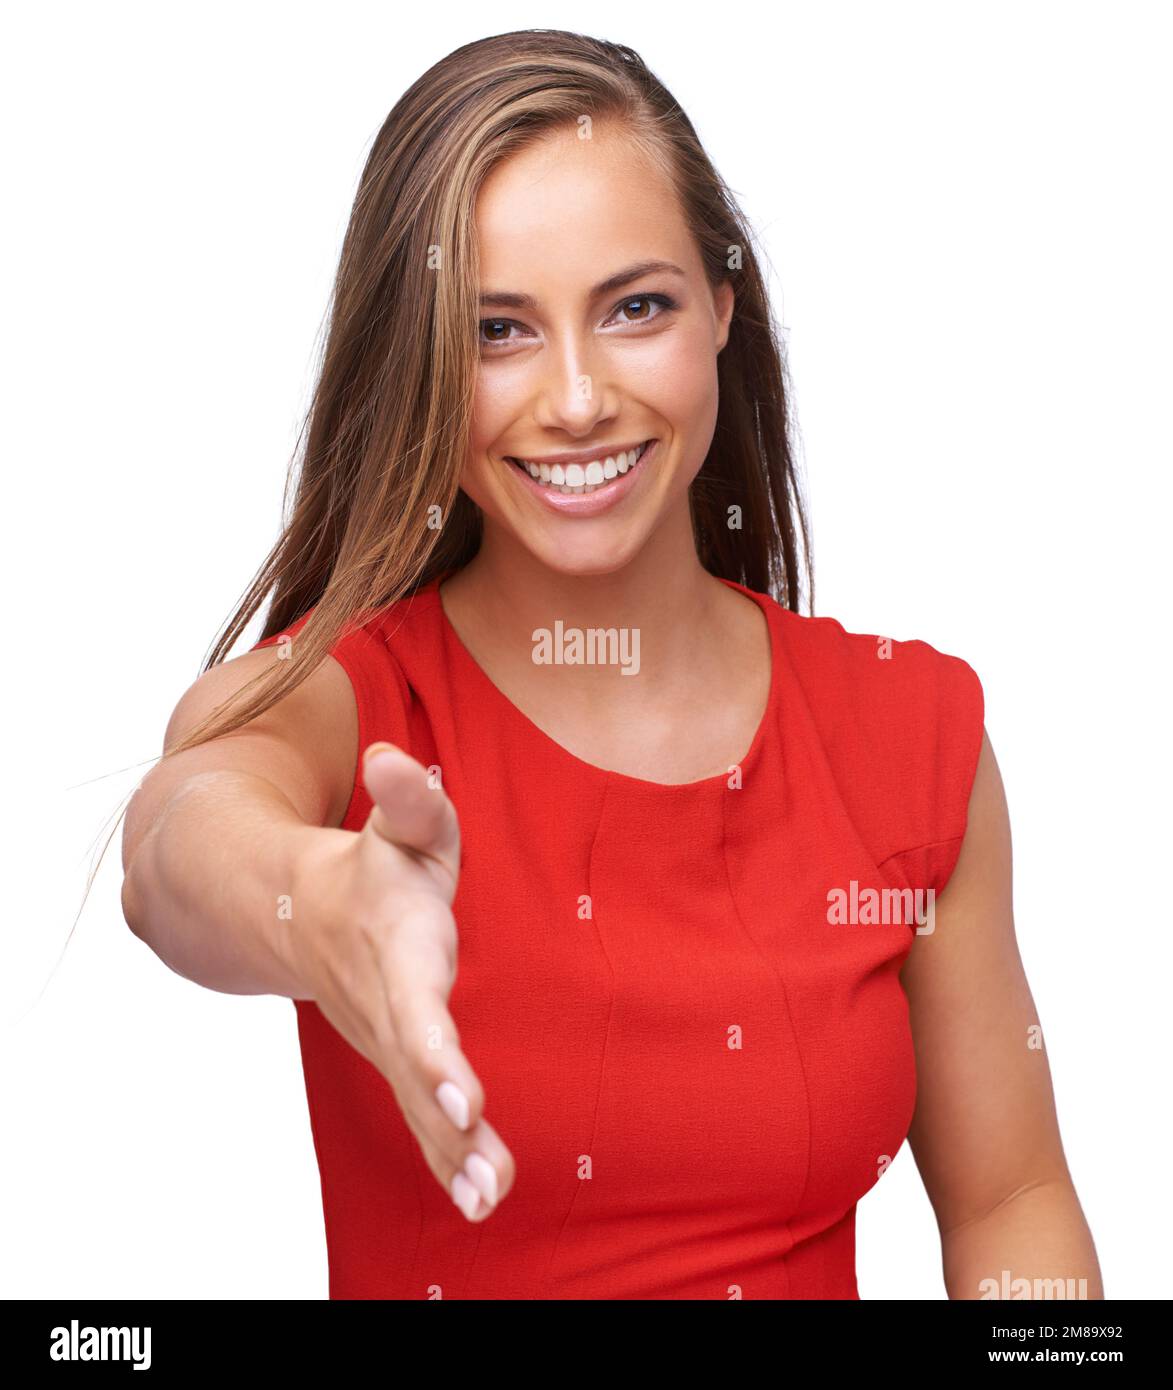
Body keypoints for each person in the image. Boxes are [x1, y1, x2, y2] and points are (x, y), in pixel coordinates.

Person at [120, 29, 1102, 1300]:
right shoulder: (355, 698)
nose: (578, 399)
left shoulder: (906, 729)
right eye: (497, 332)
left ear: (722, 310)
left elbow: (1011, 1199)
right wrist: (323, 900)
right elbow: (176, 839)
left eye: (637, 307)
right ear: (419, 363)